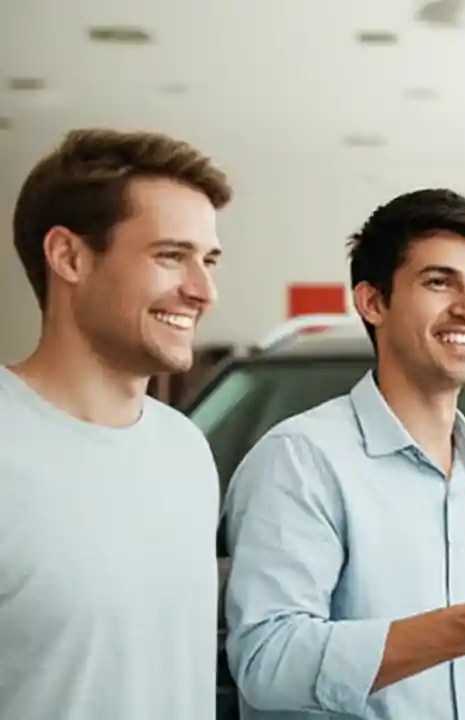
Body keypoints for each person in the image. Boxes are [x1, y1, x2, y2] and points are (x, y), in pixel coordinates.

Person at [221, 189, 465, 720]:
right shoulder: (301, 461)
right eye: (440, 282)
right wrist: (463, 628)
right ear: (372, 302)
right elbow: (269, 664)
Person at [0, 129, 232, 719]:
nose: (203, 290)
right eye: (170, 256)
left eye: (208, 260)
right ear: (69, 257)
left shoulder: (185, 450)